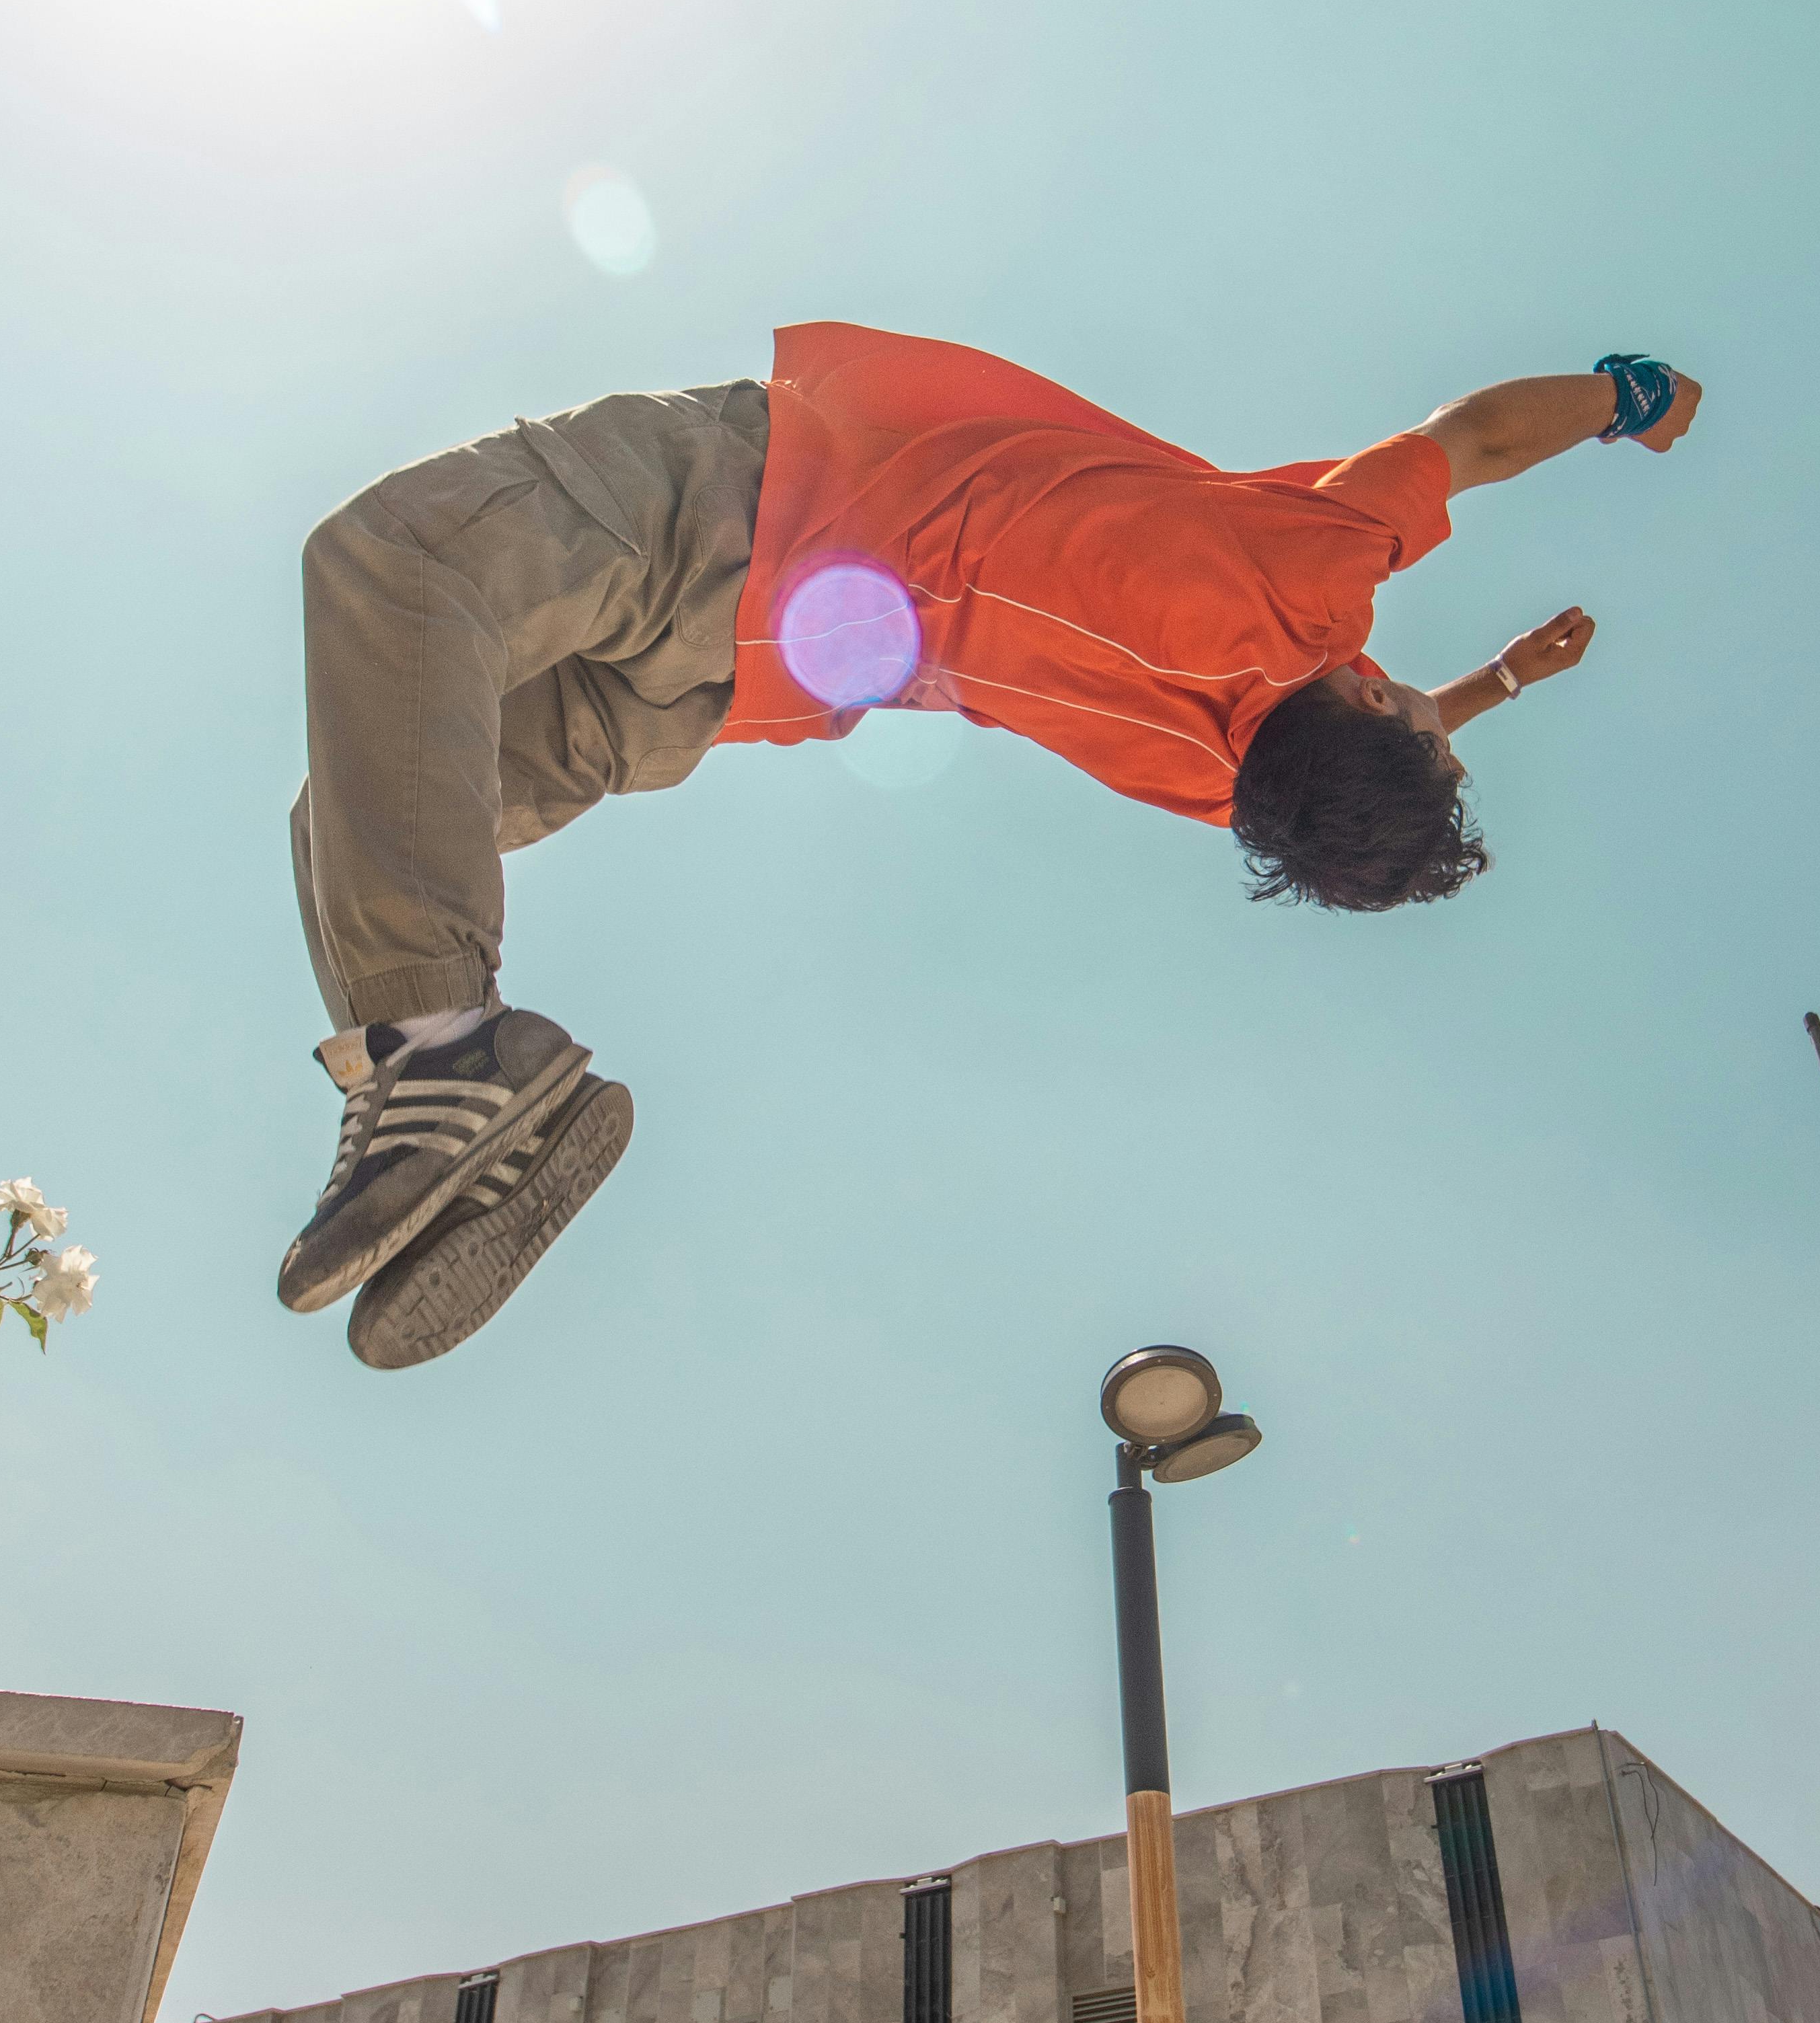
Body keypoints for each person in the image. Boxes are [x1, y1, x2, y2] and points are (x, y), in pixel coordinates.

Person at [282, 318, 1702, 1367]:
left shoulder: (1310, 578)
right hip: (731, 689)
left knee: (397, 563)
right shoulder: (1216, 780)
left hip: (740, 515)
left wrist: (1626, 397)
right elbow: (1354, 777)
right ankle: (435, 1074)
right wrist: (1488, 692)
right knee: (372, 793)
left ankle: (445, 1053)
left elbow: (1480, 437)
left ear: (1368, 688)